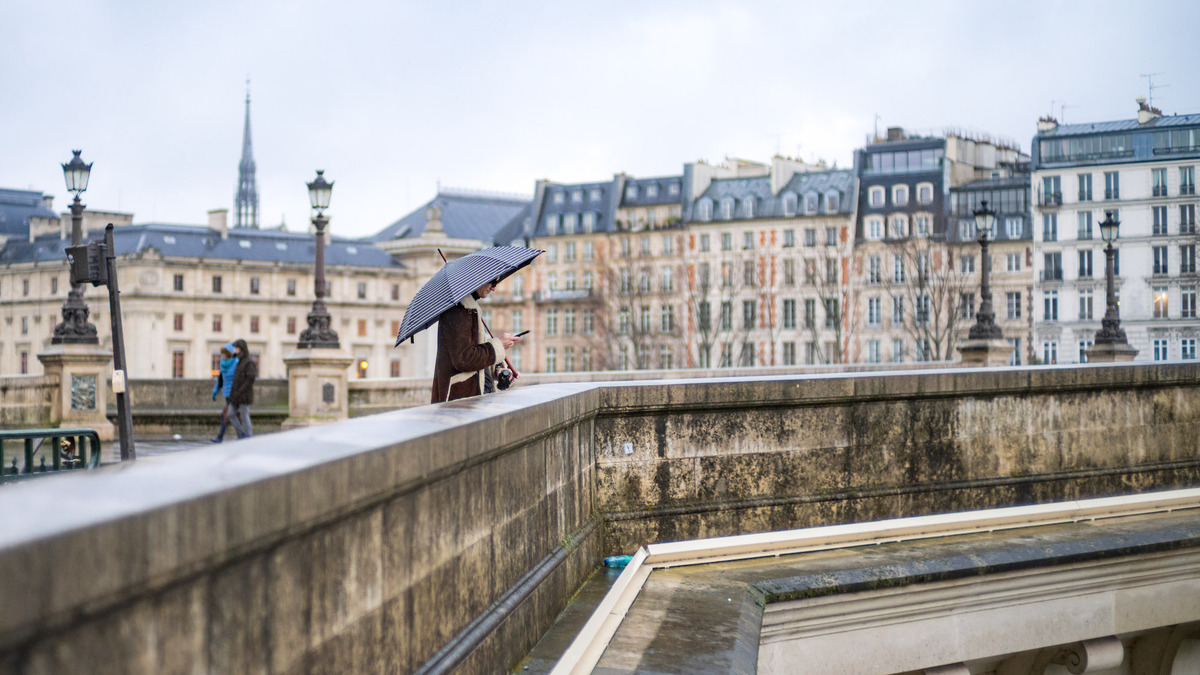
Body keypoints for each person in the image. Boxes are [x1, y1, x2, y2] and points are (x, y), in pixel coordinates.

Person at [431, 278, 521, 403]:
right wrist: (498, 345)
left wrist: (498, 370)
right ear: (479, 279)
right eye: (492, 282)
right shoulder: (459, 310)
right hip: (460, 403)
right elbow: (463, 359)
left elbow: (475, 352)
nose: (494, 288)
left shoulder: (469, 308)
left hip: (472, 399)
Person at [227, 338, 257, 438]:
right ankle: (241, 434)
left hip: (244, 395)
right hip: (236, 394)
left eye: (236, 348)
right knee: (230, 414)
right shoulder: (239, 361)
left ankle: (248, 435)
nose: (235, 351)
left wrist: (240, 391)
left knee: (244, 416)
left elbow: (250, 379)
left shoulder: (249, 362)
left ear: (241, 349)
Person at [210, 343, 239, 443]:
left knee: (227, 415)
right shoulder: (223, 365)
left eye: (224, 354)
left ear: (229, 354)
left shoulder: (236, 362)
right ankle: (241, 435)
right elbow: (220, 380)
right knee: (231, 415)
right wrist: (215, 391)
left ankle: (220, 437)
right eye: (222, 354)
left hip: (234, 394)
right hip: (227, 393)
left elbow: (240, 378)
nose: (222, 356)